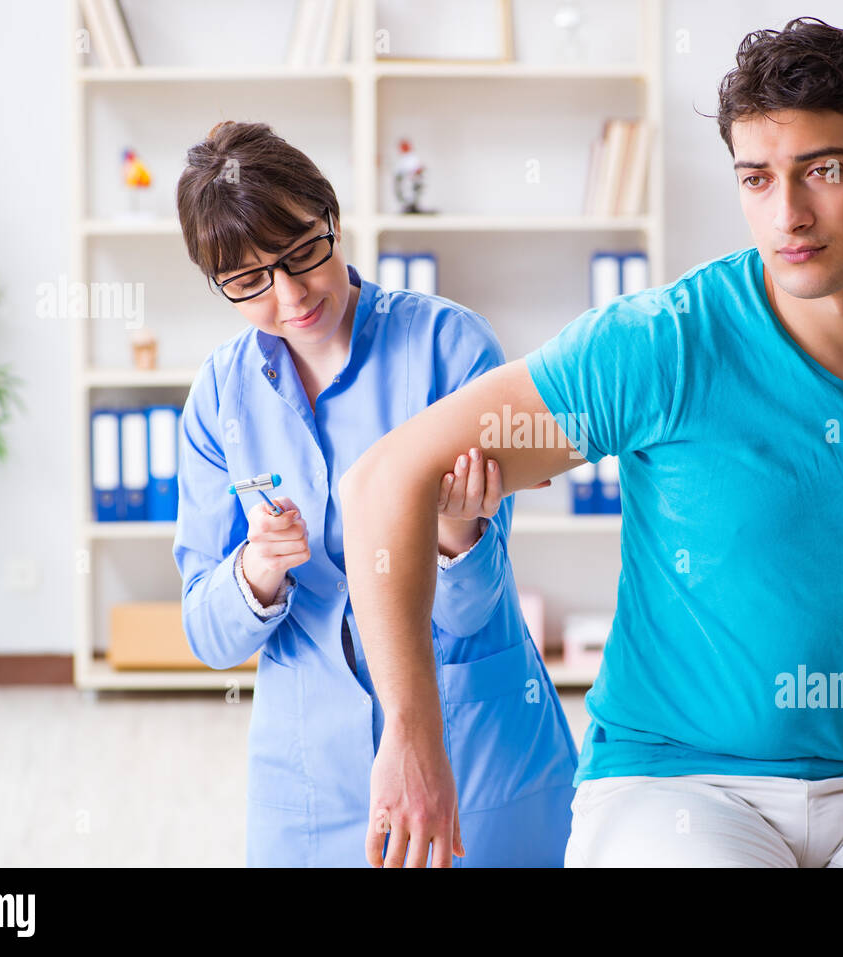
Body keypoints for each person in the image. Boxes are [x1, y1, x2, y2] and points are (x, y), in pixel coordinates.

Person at [338, 17, 843, 867]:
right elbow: (385, 479)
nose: (788, 214)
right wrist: (411, 734)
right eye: (757, 179)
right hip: (673, 788)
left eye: (823, 171)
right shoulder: (664, 341)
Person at [170, 120, 579, 867]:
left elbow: (472, 608)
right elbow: (209, 635)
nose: (290, 295)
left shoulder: (452, 349)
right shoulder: (219, 395)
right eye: (250, 281)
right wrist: (256, 572)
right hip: (310, 777)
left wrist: (457, 533)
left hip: (473, 748)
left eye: (303, 253)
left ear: (331, 217)